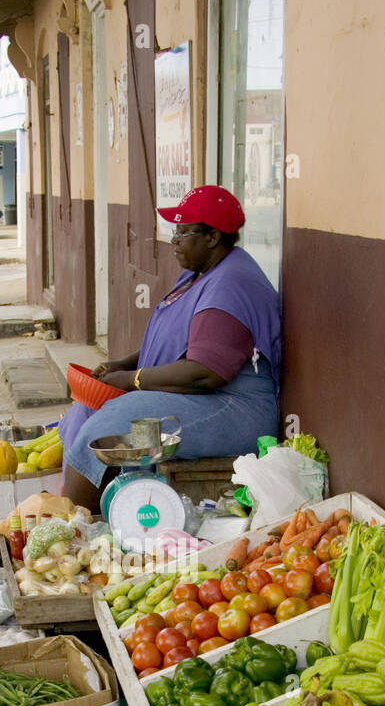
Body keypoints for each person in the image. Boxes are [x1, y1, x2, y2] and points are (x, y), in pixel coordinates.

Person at [59, 184, 281, 511]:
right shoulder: (200, 272)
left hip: (233, 407)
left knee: (111, 424)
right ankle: (85, 515)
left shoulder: (230, 284)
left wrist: (132, 380)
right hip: (201, 395)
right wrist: (124, 364)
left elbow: (206, 373)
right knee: (82, 413)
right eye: (173, 232)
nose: (173, 242)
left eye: (183, 233)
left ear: (212, 237)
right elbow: (178, 341)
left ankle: (70, 528)